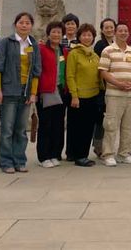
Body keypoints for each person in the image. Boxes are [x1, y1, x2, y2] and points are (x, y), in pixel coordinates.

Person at [0, 12, 41, 174]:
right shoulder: (6, 43)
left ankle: (20, 160)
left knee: (21, 129)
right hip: (8, 91)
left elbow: (36, 71)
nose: (24, 25)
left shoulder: (33, 44)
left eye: (27, 22)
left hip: (25, 93)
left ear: (31, 26)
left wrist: (33, 93)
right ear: (15, 24)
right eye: (21, 22)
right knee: (7, 129)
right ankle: (6, 162)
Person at [98, 22, 131, 167]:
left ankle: (124, 153)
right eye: (120, 31)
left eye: (125, 30)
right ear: (115, 33)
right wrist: (118, 83)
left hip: (130, 94)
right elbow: (103, 71)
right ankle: (108, 154)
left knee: (129, 125)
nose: (123, 33)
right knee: (111, 125)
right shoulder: (107, 50)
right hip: (114, 94)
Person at [65, 23, 102, 167]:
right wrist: (74, 95)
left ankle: (81, 154)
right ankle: (79, 155)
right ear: (79, 37)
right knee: (78, 127)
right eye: (84, 35)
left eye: (89, 35)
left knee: (88, 127)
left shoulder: (94, 55)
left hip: (93, 95)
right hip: (79, 97)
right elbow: (70, 76)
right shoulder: (74, 54)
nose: (87, 37)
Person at [36, 21, 68, 168]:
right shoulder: (41, 49)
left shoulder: (64, 51)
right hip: (46, 91)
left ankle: (55, 154)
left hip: (61, 91)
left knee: (58, 124)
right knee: (45, 124)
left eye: (59, 32)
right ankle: (44, 156)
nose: (56, 35)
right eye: (54, 32)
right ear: (48, 34)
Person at [92, 18, 116, 158]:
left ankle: (109, 145)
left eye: (111, 27)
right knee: (100, 118)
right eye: (106, 27)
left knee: (111, 118)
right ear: (102, 29)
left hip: (114, 85)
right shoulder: (99, 45)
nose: (109, 30)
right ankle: (98, 145)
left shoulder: (116, 44)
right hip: (103, 86)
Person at [59, 13, 79, 160]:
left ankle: (71, 152)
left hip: (75, 87)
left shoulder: (81, 42)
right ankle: (56, 151)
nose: (70, 26)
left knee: (73, 121)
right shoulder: (58, 41)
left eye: (73, 24)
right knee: (58, 120)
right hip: (60, 86)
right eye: (68, 24)